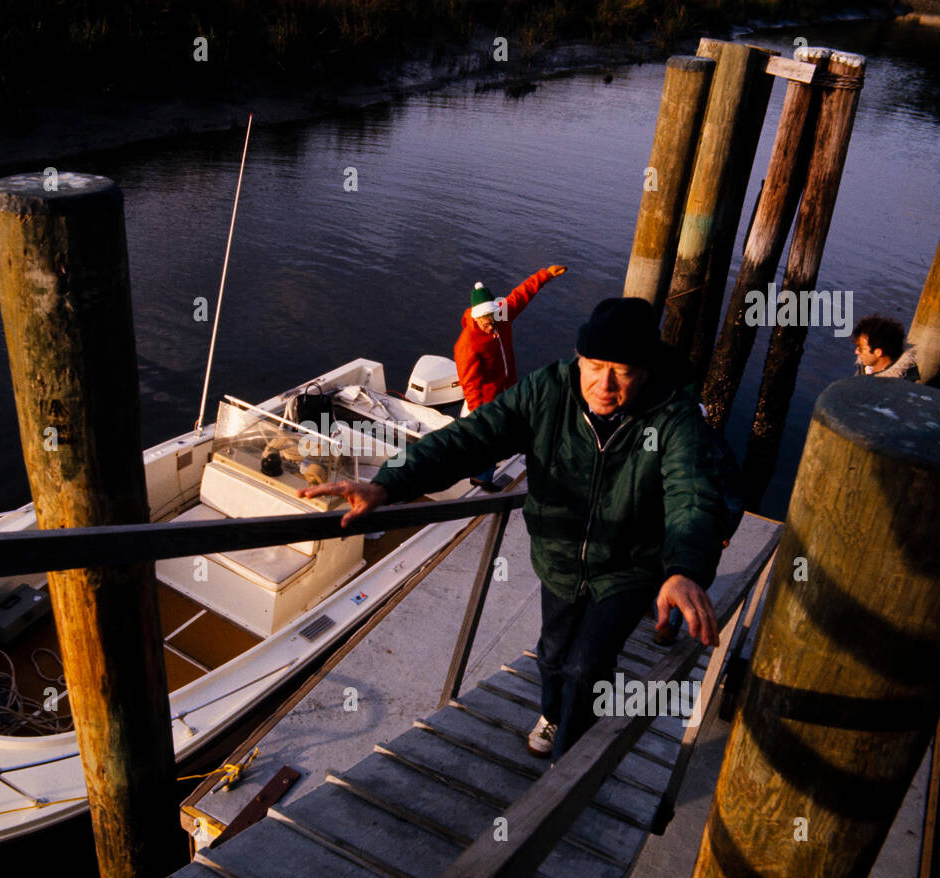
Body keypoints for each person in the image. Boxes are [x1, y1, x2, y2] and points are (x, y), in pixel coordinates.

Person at [301, 297, 728, 763]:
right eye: (595, 365)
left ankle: (570, 763)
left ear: (645, 370)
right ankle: (551, 712)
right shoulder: (548, 392)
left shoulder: (672, 416)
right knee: (551, 654)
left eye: (622, 371)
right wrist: (388, 484)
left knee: (588, 666)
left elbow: (692, 494)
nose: (604, 384)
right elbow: (468, 440)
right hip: (560, 556)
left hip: (630, 567)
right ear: (579, 358)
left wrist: (683, 568)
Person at [455, 265, 566, 489]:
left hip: (507, 389)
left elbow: (521, 295)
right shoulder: (468, 344)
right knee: (489, 441)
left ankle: (525, 453)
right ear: (476, 319)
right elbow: (470, 384)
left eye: (493, 321)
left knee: (520, 422)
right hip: (485, 401)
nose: (491, 328)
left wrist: (544, 276)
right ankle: (480, 480)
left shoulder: (500, 316)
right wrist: (481, 414)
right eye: (485, 324)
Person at [853, 315, 918, 380]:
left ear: (878, 352)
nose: (856, 351)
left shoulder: (901, 386)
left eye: (861, 349)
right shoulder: (864, 368)